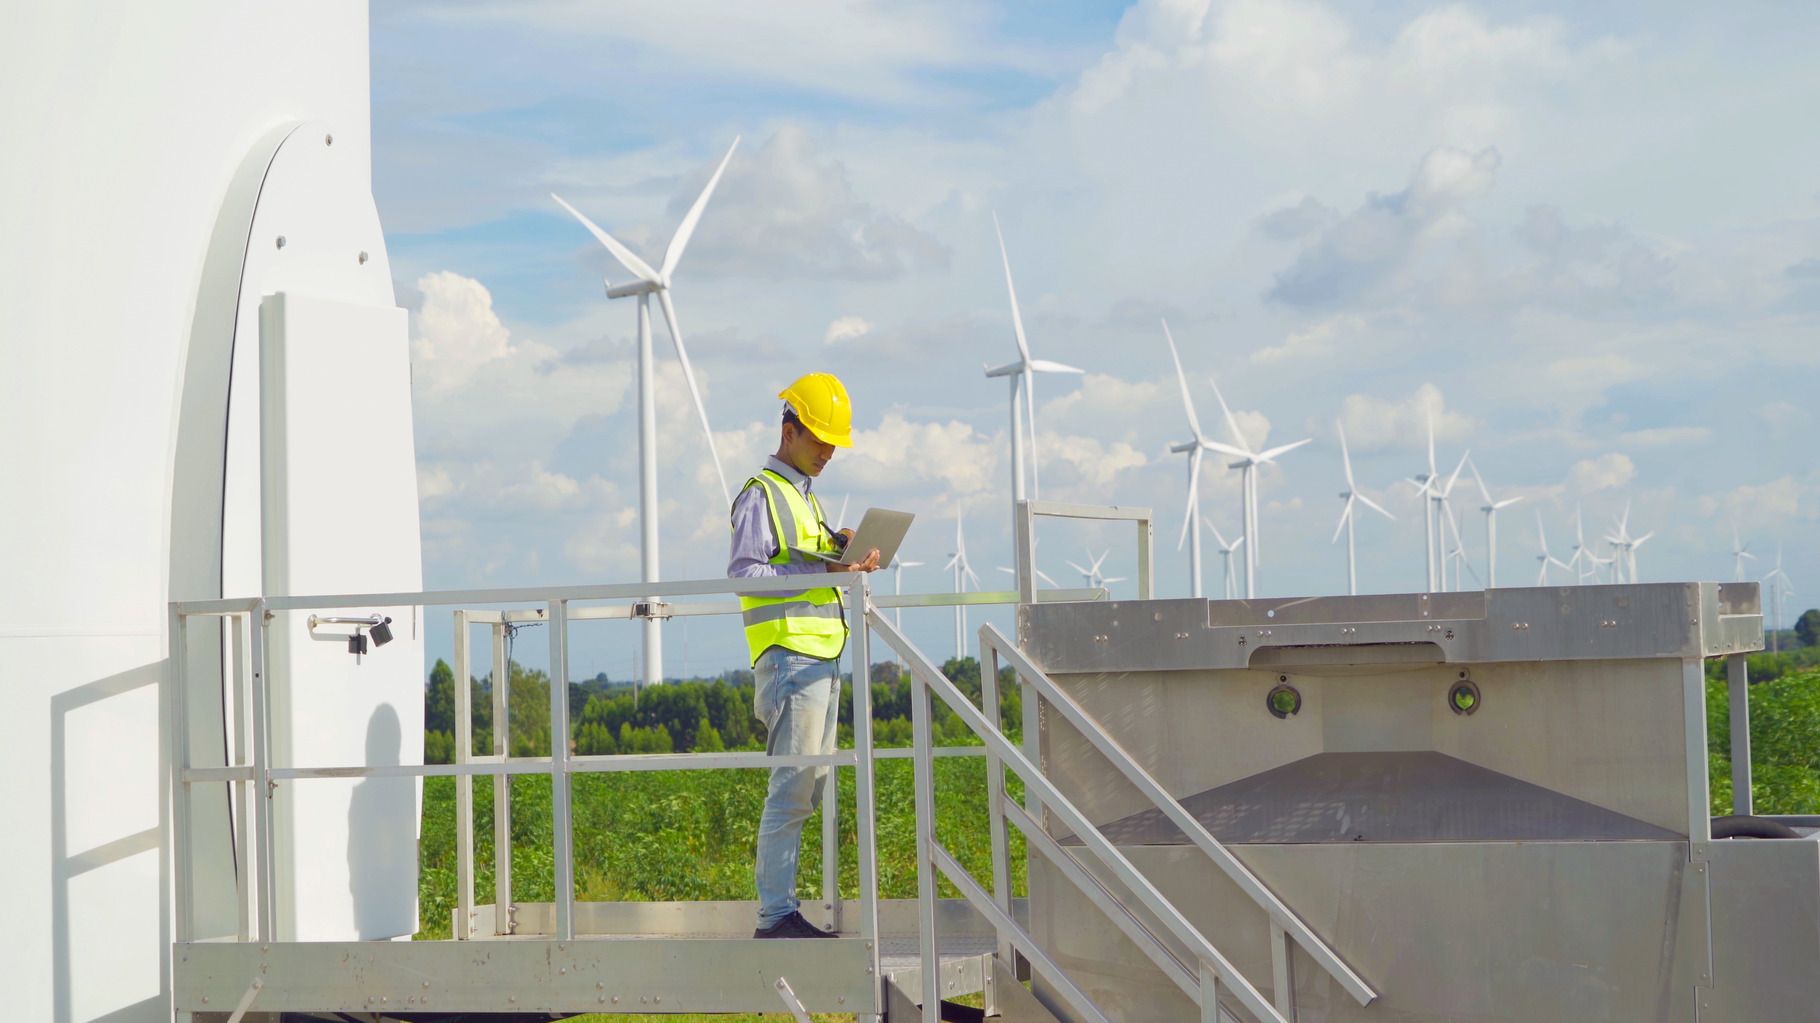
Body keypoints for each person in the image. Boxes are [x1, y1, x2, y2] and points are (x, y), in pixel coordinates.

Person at [728, 372, 879, 939]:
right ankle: (776, 916)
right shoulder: (760, 493)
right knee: (791, 786)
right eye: (819, 440)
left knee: (809, 785)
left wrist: (841, 554)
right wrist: (824, 568)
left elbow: (804, 565)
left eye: (833, 443)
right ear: (788, 430)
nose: (828, 452)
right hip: (791, 657)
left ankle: (783, 911)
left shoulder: (802, 498)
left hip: (821, 656)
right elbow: (746, 575)